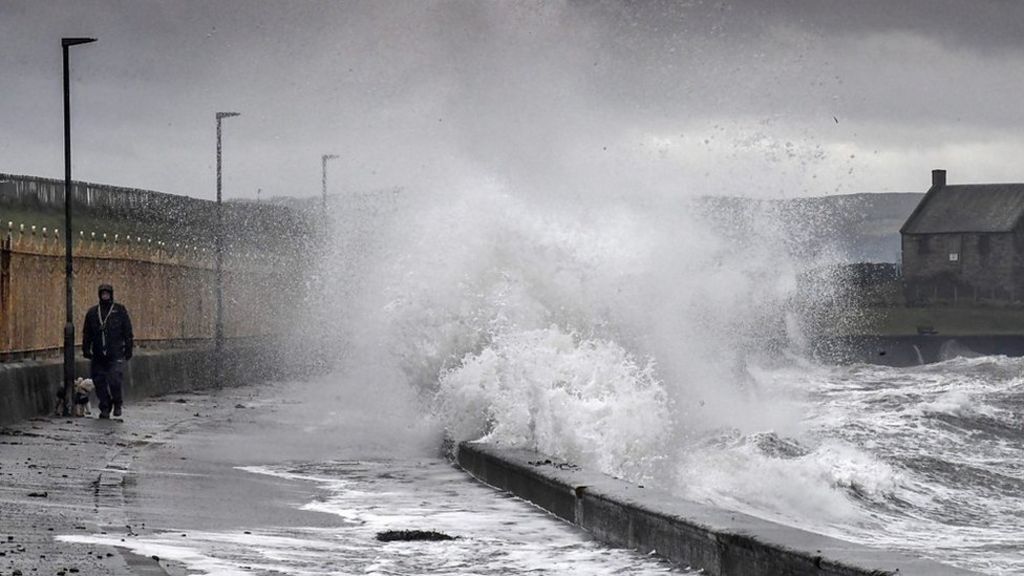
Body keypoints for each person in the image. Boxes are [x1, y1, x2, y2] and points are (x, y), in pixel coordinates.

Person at [82, 283, 134, 419]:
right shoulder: (93, 313)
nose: (105, 295)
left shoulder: (120, 311)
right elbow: (87, 333)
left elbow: (128, 332)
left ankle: (117, 402)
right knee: (99, 382)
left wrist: (128, 349)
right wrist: (86, 349)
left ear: (111, 294)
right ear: (99, 295)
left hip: (115, 353)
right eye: (103, 293)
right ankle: (105, 406)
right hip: (98, 354)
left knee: (115, 379)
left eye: (107, 293)